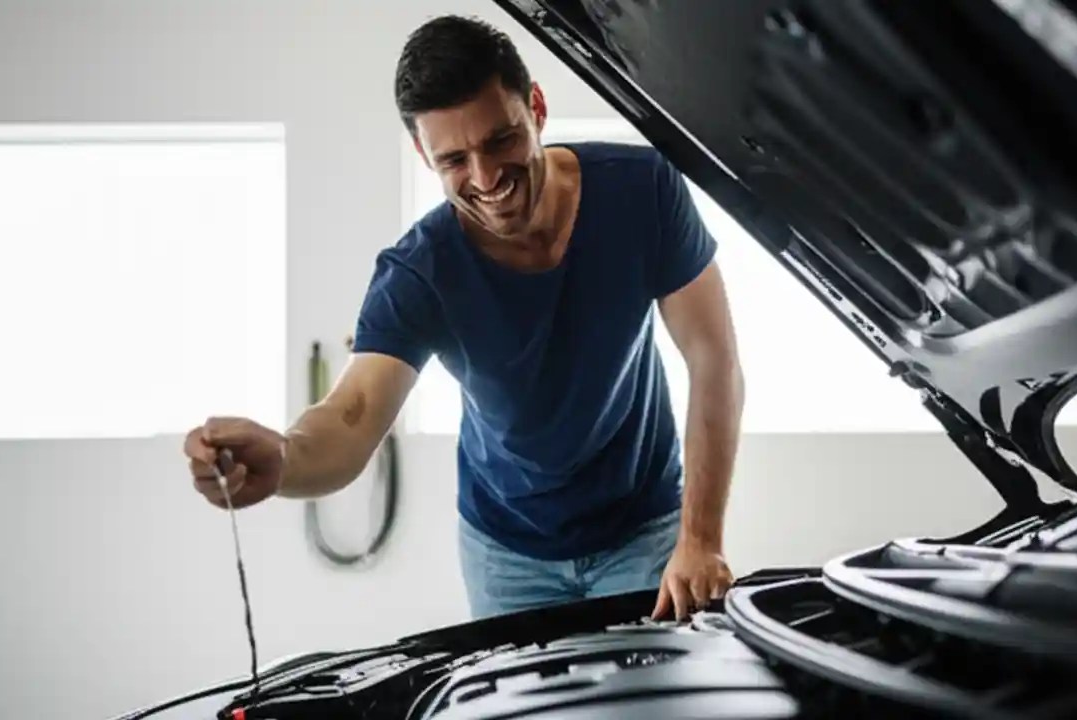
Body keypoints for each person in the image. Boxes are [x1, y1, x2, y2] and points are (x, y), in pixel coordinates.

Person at [184, 15, 744, 622]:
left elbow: (714, 362)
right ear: (424, 155)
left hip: (645, 528)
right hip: (507, 555)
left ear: (535, 107)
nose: (485, 178)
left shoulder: (644, 191)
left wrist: (702, 539)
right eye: (454, 158)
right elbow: (350, 420)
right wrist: (286, 460)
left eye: (501, 140)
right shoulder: (418, 273)